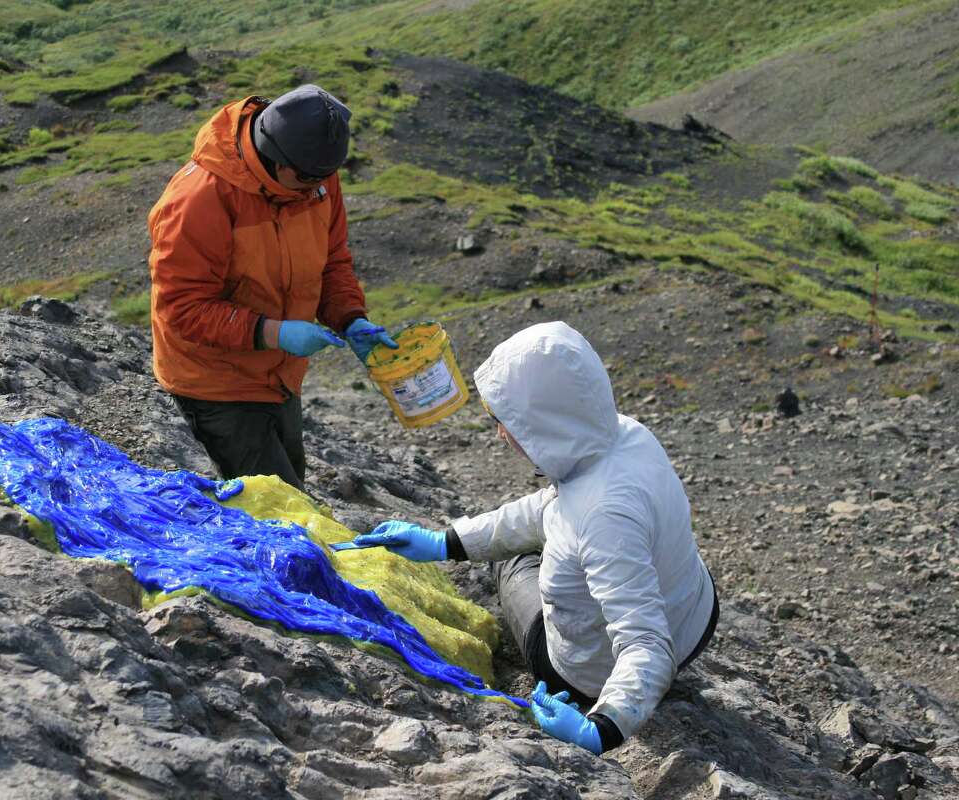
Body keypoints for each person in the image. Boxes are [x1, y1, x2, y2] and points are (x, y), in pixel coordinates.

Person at [349, 321, 718, 754]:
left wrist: (600, 727)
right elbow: (551, 509)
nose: (501, 434)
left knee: (508, 560)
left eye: (504, 421)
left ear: (542, 422)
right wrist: (444, 542)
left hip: (591, 672)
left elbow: (647, 644)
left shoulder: (600, 516)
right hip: (695, 615)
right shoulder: (625, 434)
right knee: (529, 540)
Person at [147, 84, 396, 491]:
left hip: (279, 372)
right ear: (275, 154)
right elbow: (182, 308)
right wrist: (274, 332)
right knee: (278, 506)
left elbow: (333, 260)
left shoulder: (313, 177)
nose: (317, 187)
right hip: (215, 380)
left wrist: (350, 319)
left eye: (326, 177)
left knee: (289, 485)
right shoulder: (199, 200)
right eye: (307, 178)